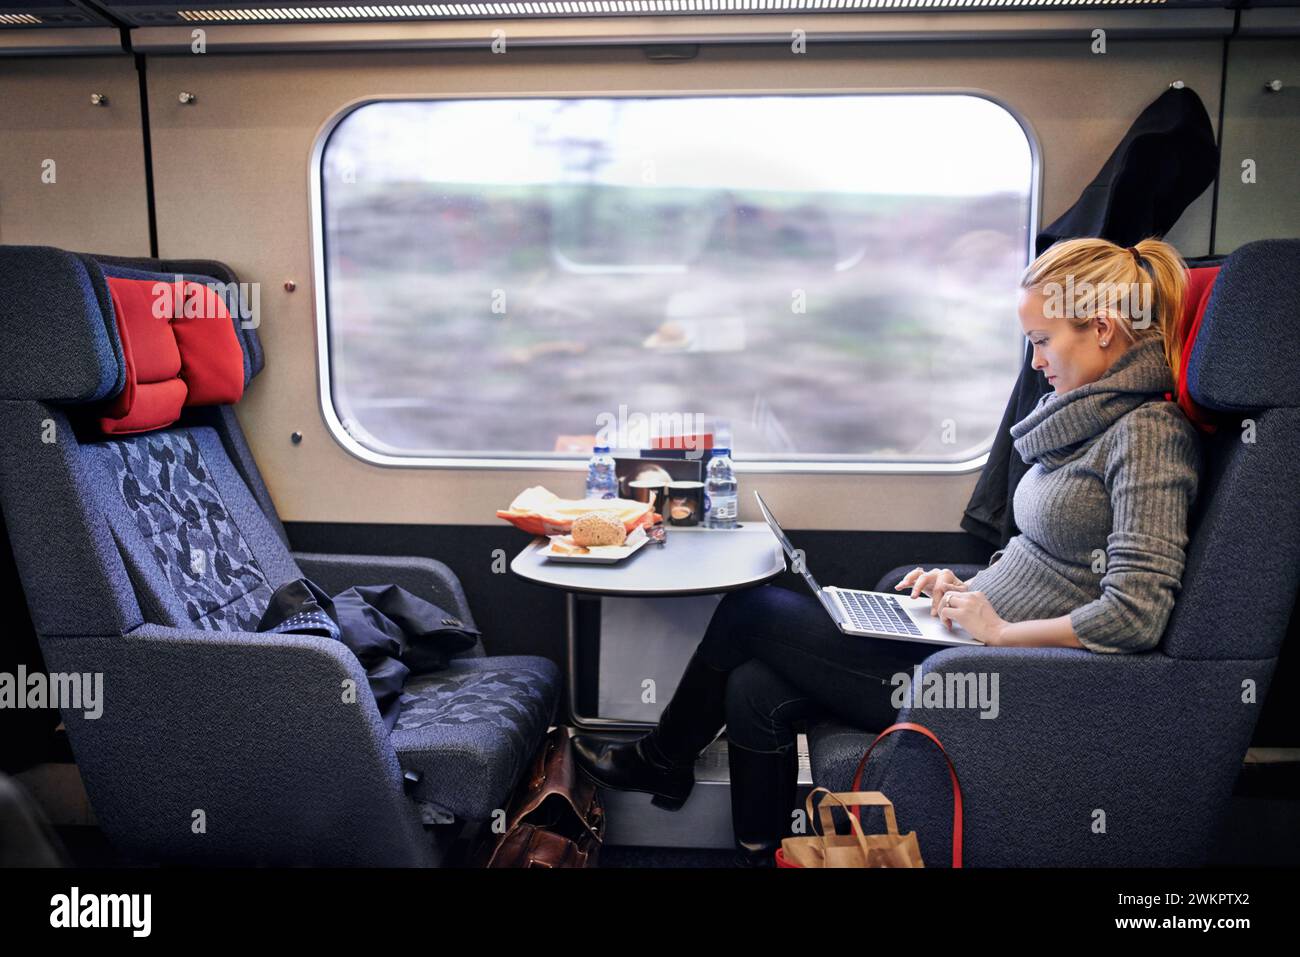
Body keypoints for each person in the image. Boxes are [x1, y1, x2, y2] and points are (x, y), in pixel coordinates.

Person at [573, 237, 1203, 866]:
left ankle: (661, 760)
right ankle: (761, 853)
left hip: (999, 678)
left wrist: (1001, 632)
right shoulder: (1087, 420)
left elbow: (1135, 612)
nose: (1035, 362)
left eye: (1042, 340)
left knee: (752, 612)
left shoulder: (1146, 435)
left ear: (1100, 329)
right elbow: (1048, 562)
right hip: (966, 639)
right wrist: (962, 586)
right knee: (753, 686)